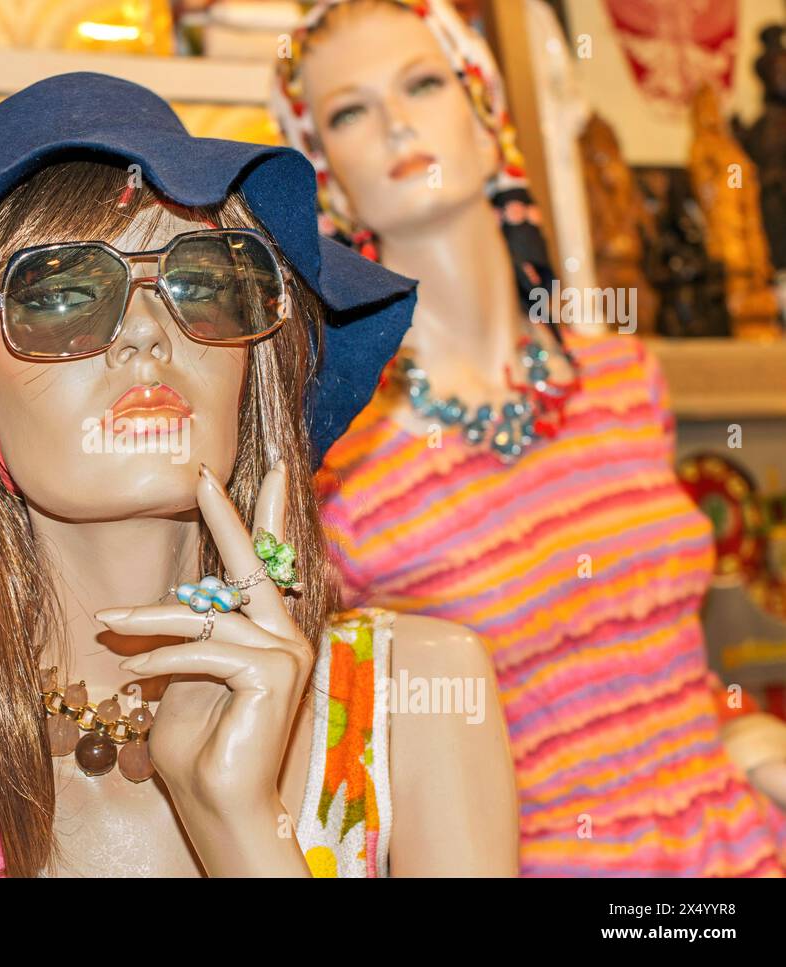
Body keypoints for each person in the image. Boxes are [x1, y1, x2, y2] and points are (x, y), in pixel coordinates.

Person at [0, 72, 520, 877]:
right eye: (63, 292)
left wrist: (239, 823)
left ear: (255, 362)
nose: (147, 331)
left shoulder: (416, 703)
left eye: (204, 280)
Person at [273, 0, 786, 875]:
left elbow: (659, 664)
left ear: (487, 118)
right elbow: (339, 781)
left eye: (424, 84)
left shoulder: (624, 382)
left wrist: (750, 740)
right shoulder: (336, 465)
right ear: (327, 173)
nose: (396, 121)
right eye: (349, 111)